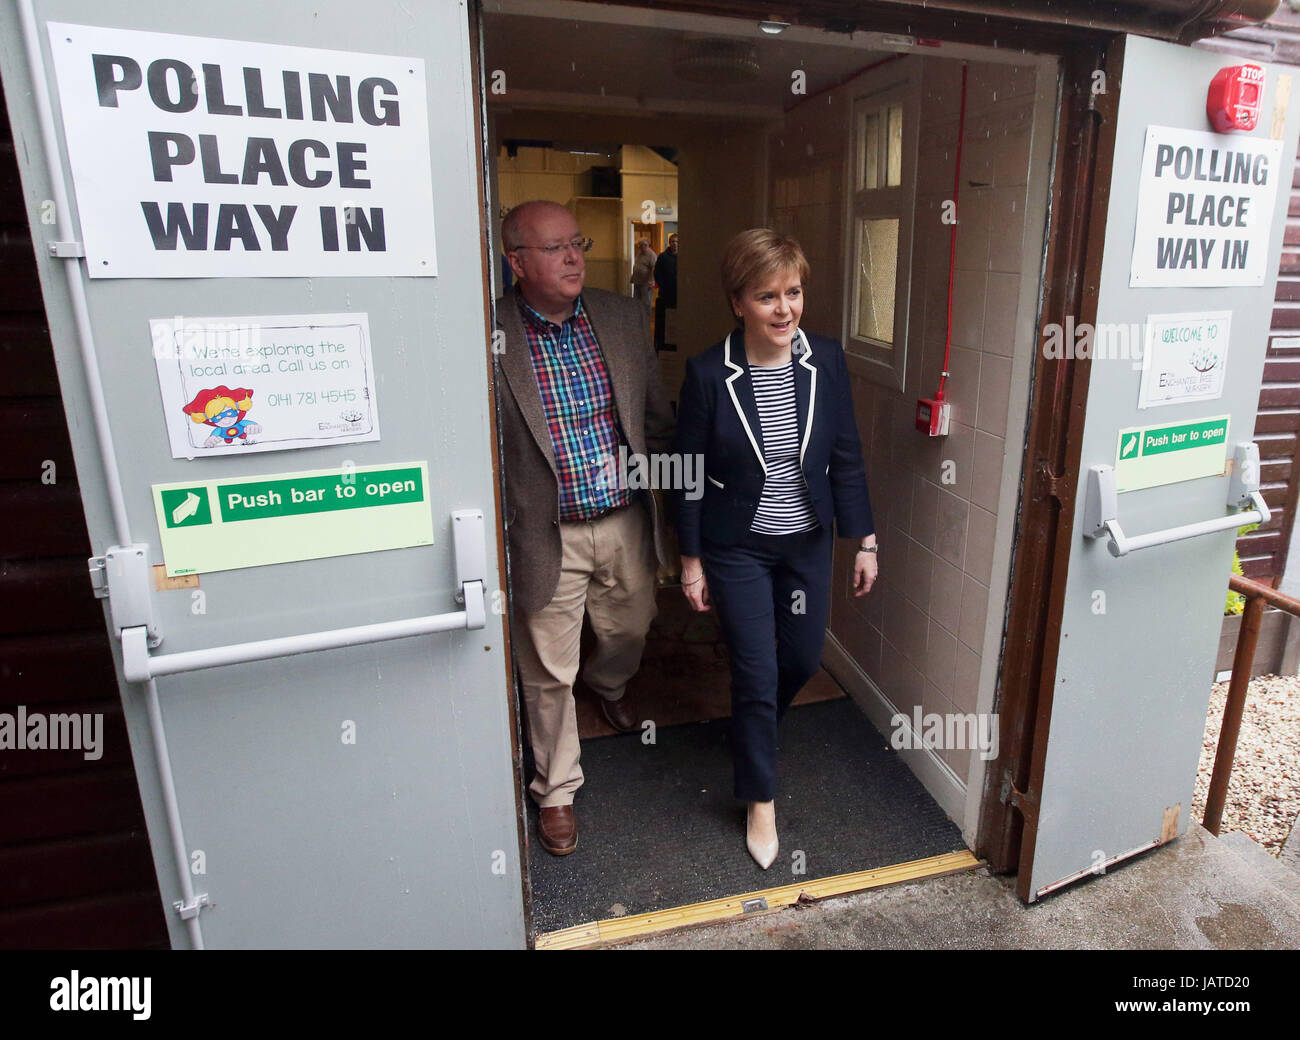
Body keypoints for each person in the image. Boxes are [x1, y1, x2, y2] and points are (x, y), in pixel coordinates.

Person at [673, 228, 877, 870]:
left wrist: (863, 538)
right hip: (738, 548)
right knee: (757, 671)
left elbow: (845, 453)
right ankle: (760, 796)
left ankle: (753, 722)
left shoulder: (827, 361)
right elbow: (687, 470)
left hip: (807, 543)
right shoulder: (709, 373)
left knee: (803, 655)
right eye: (767, 296)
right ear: (738, 302)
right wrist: (690, 558)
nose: (784, 309)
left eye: (793, 293)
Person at [496, 200, 675, 856]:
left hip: (624, 516)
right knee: (545, 668)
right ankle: (557, 789)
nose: (573, 258)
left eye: (578, 243)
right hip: (544, 530)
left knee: (632, 625)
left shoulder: (624, 318)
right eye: (554, 248)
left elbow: (655, 420)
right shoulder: (489, 331)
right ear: (518, 261)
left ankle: (609, 687)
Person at [653, 233, 679, 351]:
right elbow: (657, 274)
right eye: (672, 241)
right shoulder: (663, 257)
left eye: (677, 241)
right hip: (665, 295)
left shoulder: (683, 257)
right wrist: (664, 286)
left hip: (679, 297)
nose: (674, 243)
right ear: (669, 243)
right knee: (664, 324)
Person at [630, 238, 656, 312]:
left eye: (642, 245)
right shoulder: (640, 253)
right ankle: (638, 317)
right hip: (637, 281)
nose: (640, 247)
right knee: (637, 300)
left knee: (646, 302)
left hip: (646, 283)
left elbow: (654, 268)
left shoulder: (651, 255)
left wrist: (652, 281)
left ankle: (646, 318)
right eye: (640, 246)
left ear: (646, 245)